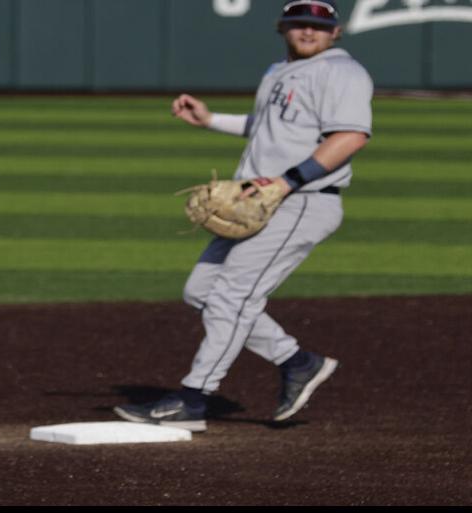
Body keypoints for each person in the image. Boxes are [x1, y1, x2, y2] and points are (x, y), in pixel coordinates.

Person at [114, 0, 372, 432]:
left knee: (233, 297)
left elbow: (350, 136)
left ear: (335, 32)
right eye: (299, 24)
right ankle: (297, 362)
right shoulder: (279, 70)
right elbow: (270, 126)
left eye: (319, 26)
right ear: (283, 28)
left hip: (302, 200)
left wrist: (287, 181)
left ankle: (193, 399)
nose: (308, 32)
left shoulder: (342, 72)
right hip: (263, 201)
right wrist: (211, 120)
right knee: (201, 291)